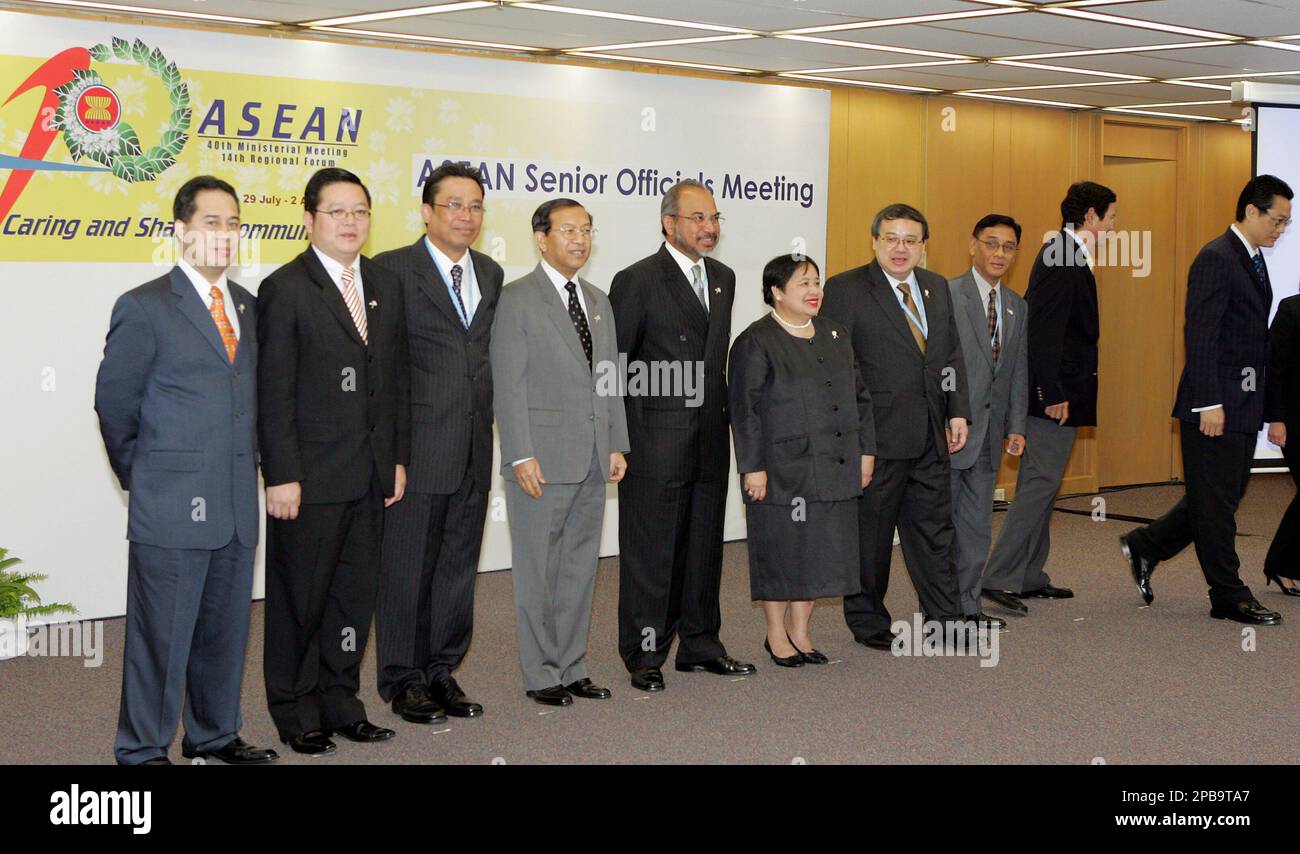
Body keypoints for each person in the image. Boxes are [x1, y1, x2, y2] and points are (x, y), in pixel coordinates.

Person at [94, 176, 276, 766]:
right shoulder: (144, 306)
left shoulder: (247, 305)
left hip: (234, 506)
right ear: (181, 231)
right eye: (211, 223)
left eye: (232, 224)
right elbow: (114, 406)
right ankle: (143, 750)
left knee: (225, 634)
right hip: (171, 506)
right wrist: (147, 478)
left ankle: (214, 736)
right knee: (160, 639)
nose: (224, 235)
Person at [258, 168, 411, 754]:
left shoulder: (383, 283)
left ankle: (341, 701)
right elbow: (274, 392)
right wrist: (282, 474)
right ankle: (295, 709)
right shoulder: (286, 288)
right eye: (337, 212)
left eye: (361, 212)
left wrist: (396, 458)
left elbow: (391, 381)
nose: (351, 223)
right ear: (309, 220)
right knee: (302, 598)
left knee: (352, 597)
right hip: (309, 479)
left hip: (370, 474)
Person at [1120, 175, 1292, 625]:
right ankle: (1228, 594)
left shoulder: (1252, 258)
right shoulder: (1217, 258)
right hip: (1214, 405)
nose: (1280, 230)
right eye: (1276, 220)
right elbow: (1200, 335)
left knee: (1219, 497)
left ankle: (1147, 544)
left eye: (1285, 224)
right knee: (1216, 506)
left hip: (1243, 402)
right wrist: (1208, 402)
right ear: (1251, 212)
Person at [609, 179, 756, 691]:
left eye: (714, 218)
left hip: (711, 439)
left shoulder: (725, 278)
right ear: (668, 223)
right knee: (652, 553)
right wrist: (619, 440)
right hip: (654, 444)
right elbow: (615, 367)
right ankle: (644, 652)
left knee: (704, 549)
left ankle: (700, 644)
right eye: (697, 218)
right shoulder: (636, 280)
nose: (709, 227)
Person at [372, 163, 503, 724]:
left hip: (475, 444)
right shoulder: (391, 270)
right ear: (426, 212)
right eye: (453, 204)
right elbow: (383, 370)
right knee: (407, 566)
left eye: (474, 205)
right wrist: (392, 456)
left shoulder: (492, 273)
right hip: (419, 449)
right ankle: (403, 679)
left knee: (456, 565)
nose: (465, 215)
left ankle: (441, 669)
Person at [491, 199, 629, 706]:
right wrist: (520, 454)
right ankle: (541, 672)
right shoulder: (518, 299)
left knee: (578, 568)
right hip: (541, 461)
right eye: (568, 229)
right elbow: (509, 384)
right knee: (537, 570)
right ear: (541, 237)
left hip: (594, 456)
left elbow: (610, 377)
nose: (579, 239)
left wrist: (617, 442)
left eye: (587, 230)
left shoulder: (598, 299)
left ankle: (572, 665)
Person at [821, 202, 970, 651]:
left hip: (930, 433)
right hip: (877, 439)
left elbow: (950, 354)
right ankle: (868, 622)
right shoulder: (845, 289)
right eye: (891, 238)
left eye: (910, 240)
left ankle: (945, 620)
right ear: (874, 241)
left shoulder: (936, 287)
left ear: (924, 246)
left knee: (934, 530)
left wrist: (957, 409)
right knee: (872, 535)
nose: (900, 249)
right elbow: (840, 369)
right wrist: (856, 437)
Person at [728, 254, 875, 666]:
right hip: (780, 470)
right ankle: (776, 634)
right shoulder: (756, 340)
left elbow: (861, 397)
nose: (814, 291)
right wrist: (751, 467)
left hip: (835, 463)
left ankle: (801, 631)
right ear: (777, 292)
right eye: (803, 284)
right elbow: (745, 410)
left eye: (816, 282)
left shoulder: (834, 333)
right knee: (782, 548)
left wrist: (867, 451)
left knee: (820, 549)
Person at [980, 181, 1115, 614]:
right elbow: (1043, 330)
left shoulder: (1069, 252)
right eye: (1111, 217)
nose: (1115, 226)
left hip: (1064, 392)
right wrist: (1051, 391)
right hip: (1054, 396)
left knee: (1046, 483)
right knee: (1038, 485)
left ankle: (1028, 575)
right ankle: (999, 576)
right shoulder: (1060, 254)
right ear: (1091, 216)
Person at [947, 215, 1028, 627]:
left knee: (976, 526)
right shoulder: (946, 295)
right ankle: (941, 606)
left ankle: (968, 605)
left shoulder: (1017, 305)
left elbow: (1016, 371)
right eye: (991, 243)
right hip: (948, 434)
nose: (999, 253)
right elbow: (935, 366)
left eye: (1008, 246)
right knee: (939, 524)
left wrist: (1016, 425)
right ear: (972, 245)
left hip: (990, 434)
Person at [1264, 292, 1300, 596]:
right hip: (1294, 422)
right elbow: (1274, 368)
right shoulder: (1292, 309)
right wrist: (1276, 418)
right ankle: (1280, 564)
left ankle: (1285, 564)